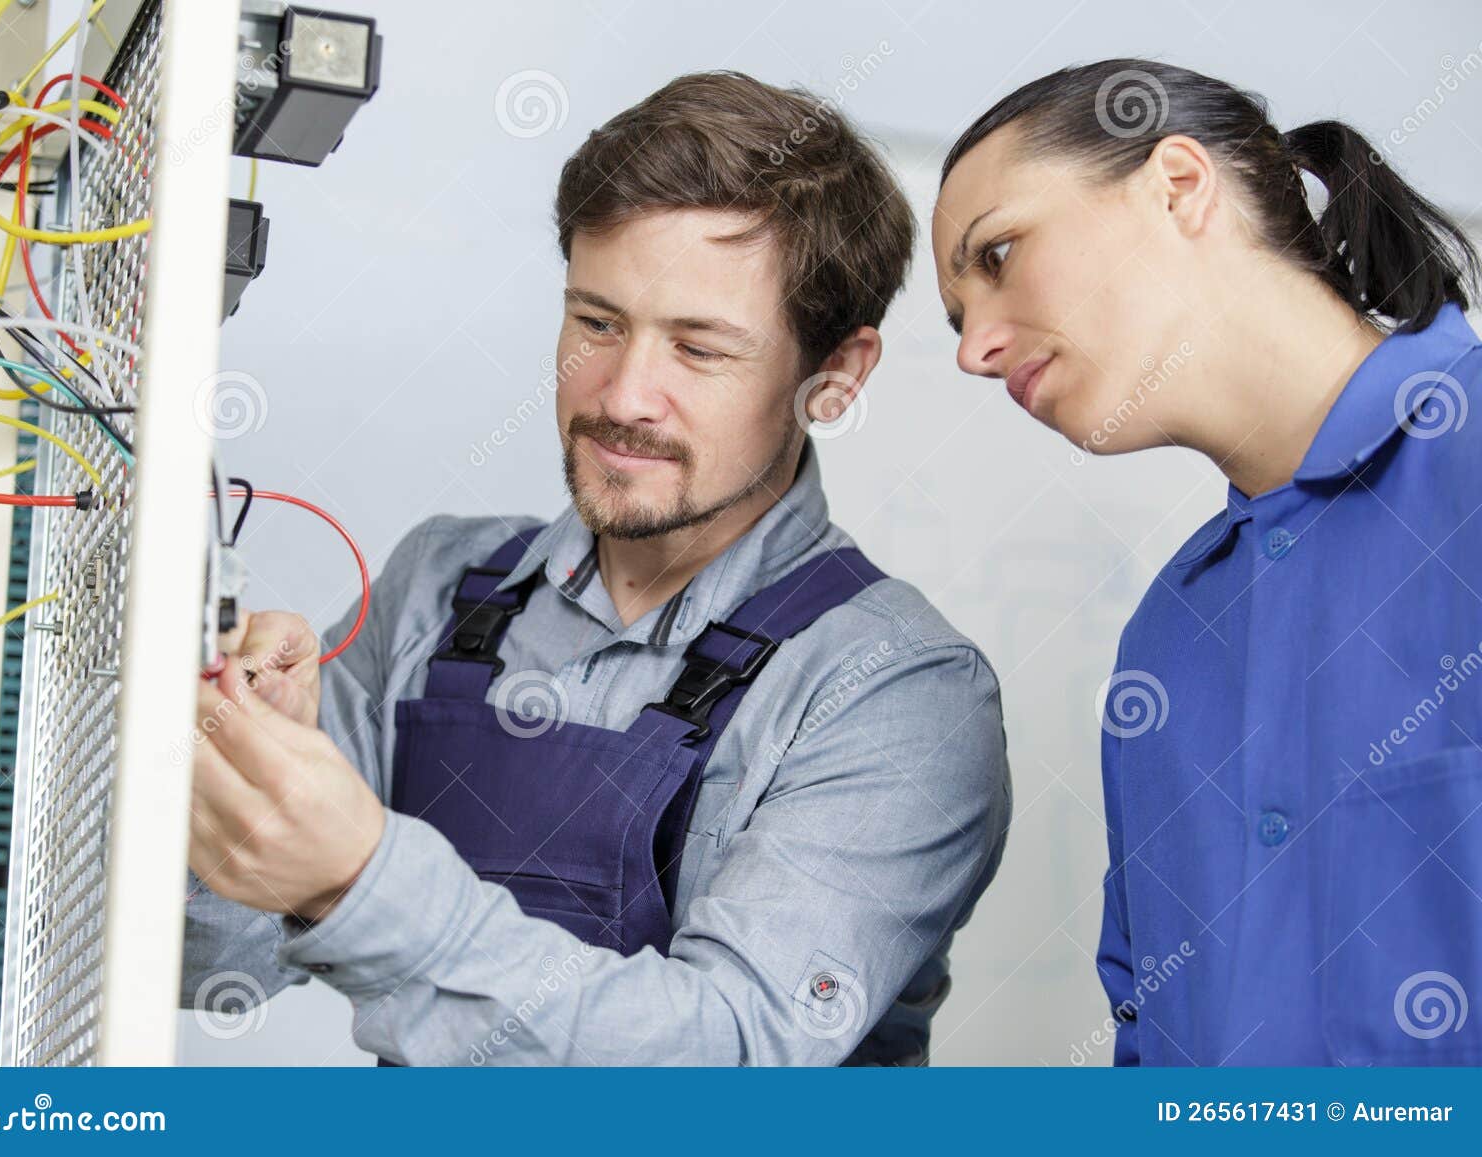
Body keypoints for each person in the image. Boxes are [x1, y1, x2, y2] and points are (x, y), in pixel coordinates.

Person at [183, 70, 1011, 1066]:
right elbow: (214, 954)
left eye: (699, 349)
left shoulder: (896, 692)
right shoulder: (444, 584)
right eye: (597, 322)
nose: (624, 394)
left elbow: (728, 1055)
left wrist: (360, 877)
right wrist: (225, 760)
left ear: (834, 377)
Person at [935, 59, 1482, 1066]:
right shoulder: (1171, 637)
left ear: (1179, 184)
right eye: (954, 315)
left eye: (999, 254)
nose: (971, 350)